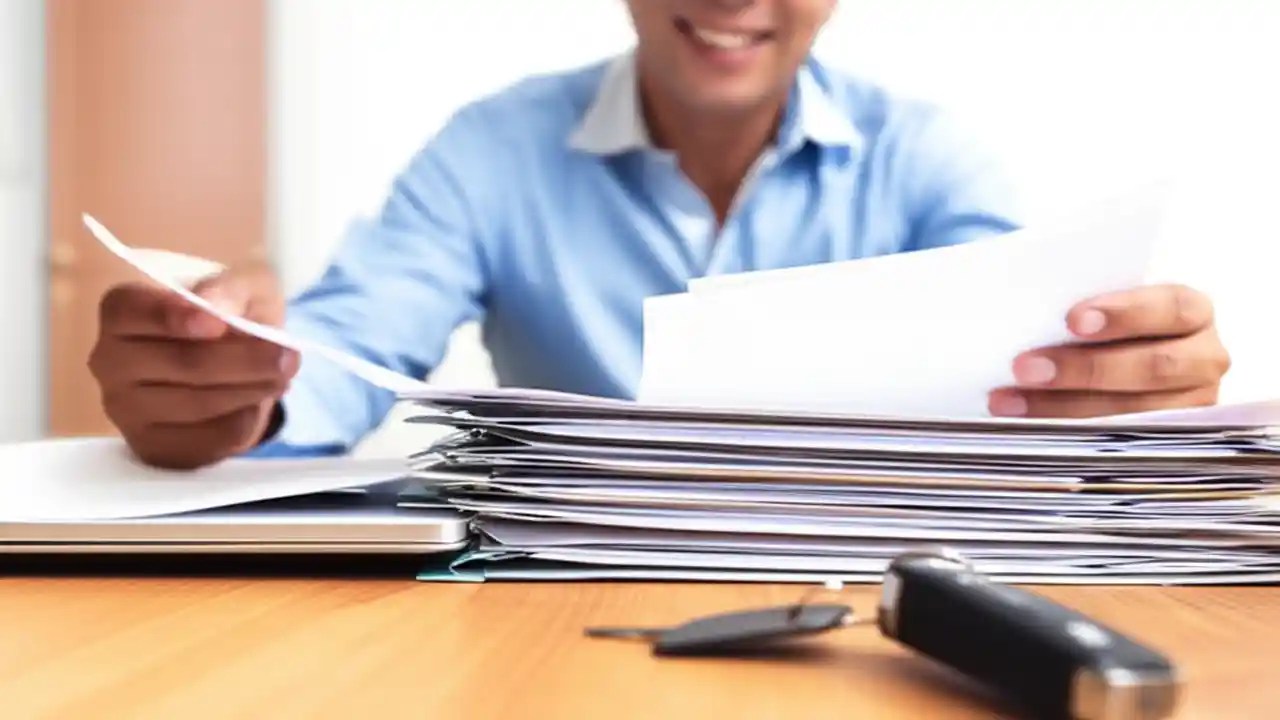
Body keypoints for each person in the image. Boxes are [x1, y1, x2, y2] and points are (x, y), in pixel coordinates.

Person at [88, 0, 1231, 470]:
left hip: (866, 619)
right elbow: (352, 339)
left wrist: (1109, 396)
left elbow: (1014, 373)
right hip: (550, 623)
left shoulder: (925, 157)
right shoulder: (491, 149)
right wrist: (240, 391)